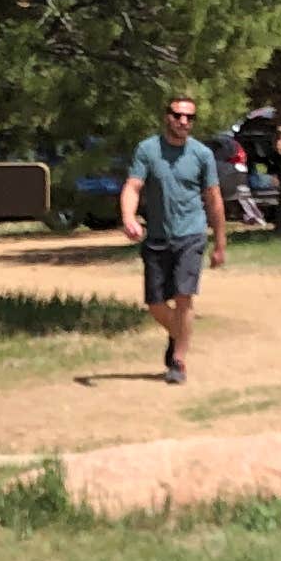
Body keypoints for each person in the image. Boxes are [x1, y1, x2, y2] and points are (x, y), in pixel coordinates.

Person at [118, 92, 227, 384]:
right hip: (156, 236)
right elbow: (133, 186)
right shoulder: (148, 150)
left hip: (191, 234)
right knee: (155, 303)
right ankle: (181, 333)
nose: (183, 121)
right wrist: (129, 217)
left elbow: (214, 198)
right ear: (167, 116)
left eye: (189, 117)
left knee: (183, 297)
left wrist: (220, 242)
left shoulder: (201, 155)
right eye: (178, 115)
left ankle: (178, 360)